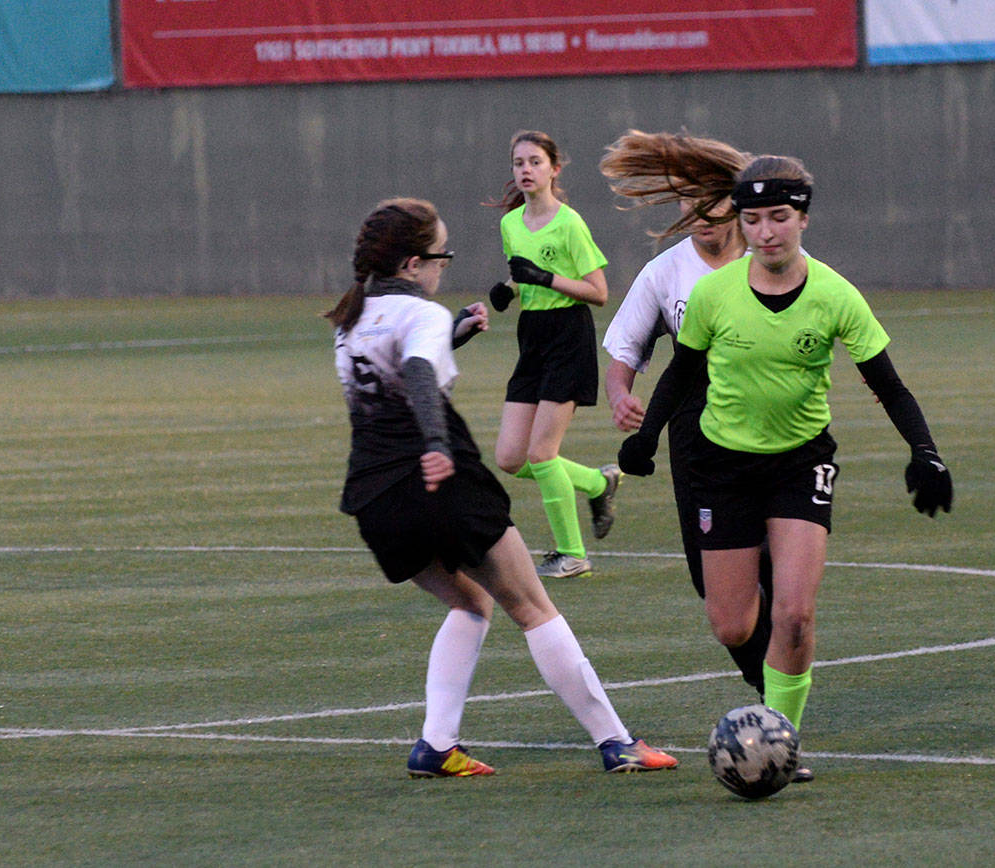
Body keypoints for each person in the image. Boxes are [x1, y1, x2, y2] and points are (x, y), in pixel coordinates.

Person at [617, 155, 953, 768]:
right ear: (742, 225)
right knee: (733, 626)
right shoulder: (715, 292)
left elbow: (890, 385)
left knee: (795, 613)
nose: (766, 231)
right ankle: (771, 702)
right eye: (753, 219)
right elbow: (680, 372)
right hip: (722, 466)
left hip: (800, 464)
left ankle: (779, 743)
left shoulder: (833, 294)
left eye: (779, 217)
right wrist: (644, 438)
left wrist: (924, 452)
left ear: (803, 218)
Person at [327, 197, 678, 777]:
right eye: (441, 255)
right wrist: (437, 443)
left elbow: (399, 365)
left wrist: (454, 332)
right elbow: (415, 374)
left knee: (471, 602)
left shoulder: (352, 321)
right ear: (414, 263)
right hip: (441, 478)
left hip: (372, 496)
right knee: (533, 607)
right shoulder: (422, 316)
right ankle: (617, 741)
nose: (445, 266)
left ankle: (436, 747)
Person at [598, 130, 778, 698]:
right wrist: (621, 395)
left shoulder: (768, 258)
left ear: (736, 202)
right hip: (697, 441)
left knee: (777, 577)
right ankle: (768, 686)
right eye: (687, 201)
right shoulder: (666, 272)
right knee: (715, 585)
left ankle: (778, 701)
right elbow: (624, 348)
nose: (699, 213)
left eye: (712, 200)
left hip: (774, 433)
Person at [486, 130, 620, 580]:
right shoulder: (510, 224)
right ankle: (598, 483)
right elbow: (522, 276)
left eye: (535, 162)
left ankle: (572, 554)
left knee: (542, 454)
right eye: (518, 162)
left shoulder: (569, 223)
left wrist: (544, 279)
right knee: (510, 457)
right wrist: (508, 291)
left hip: (568, 336)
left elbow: (598, 292)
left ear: (554, 169)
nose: (525, 169)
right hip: (533, 338)